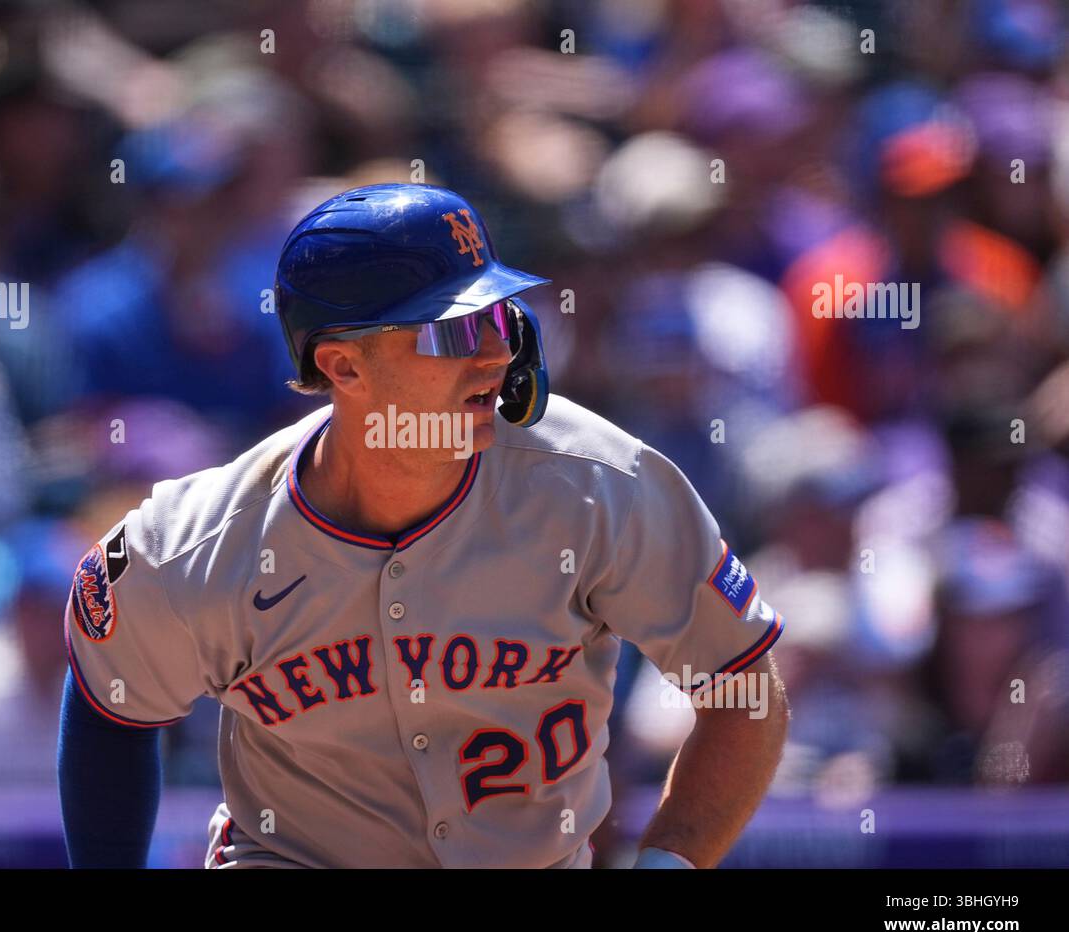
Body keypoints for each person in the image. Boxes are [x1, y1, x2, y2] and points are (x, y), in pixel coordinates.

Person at [57, 183, 789, 869]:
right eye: (454, 331)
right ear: (344, 366)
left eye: (500, 316)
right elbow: (110, 697)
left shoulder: (598, 486)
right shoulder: (204, 542)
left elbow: (741, 688)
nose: (497, 352)